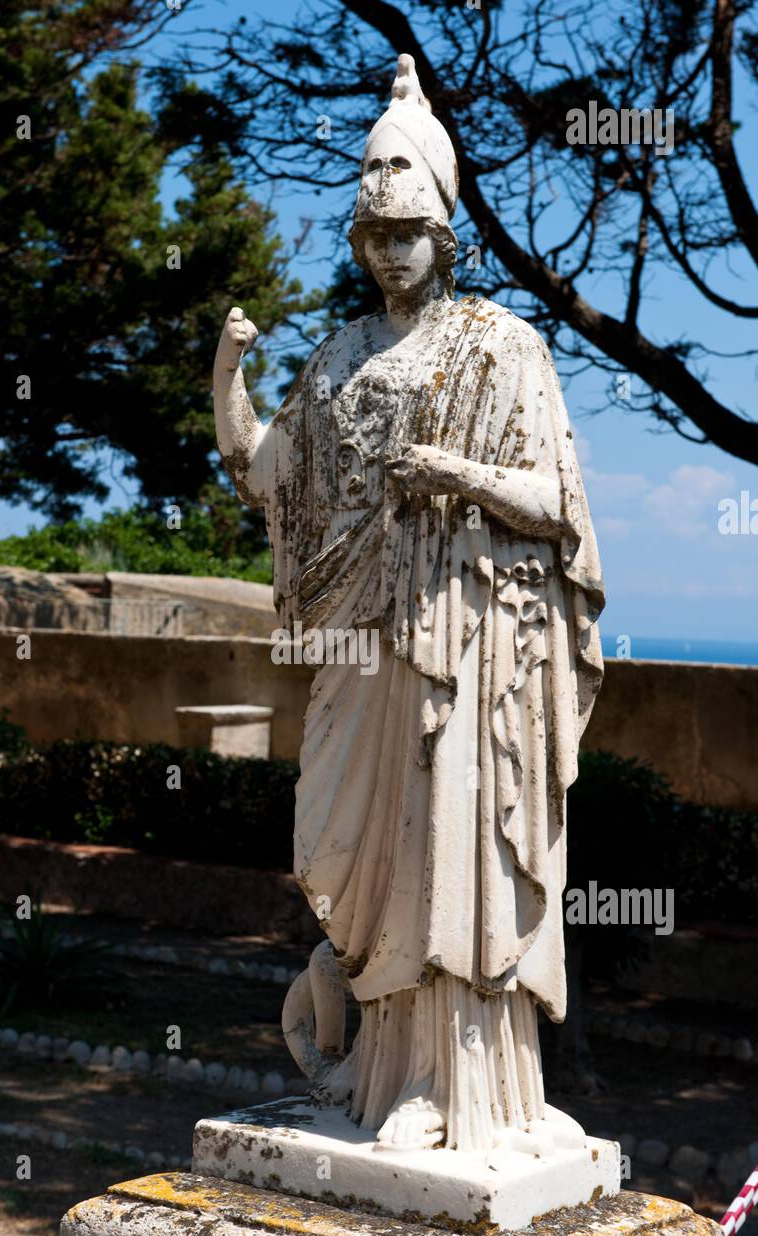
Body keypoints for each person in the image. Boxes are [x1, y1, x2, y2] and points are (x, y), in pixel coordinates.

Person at [213, 55, 604, 1155]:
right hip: (361, 641)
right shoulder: (336, 357)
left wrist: (457, 478)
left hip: (467, 646)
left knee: (452, 850)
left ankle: (452, 1088)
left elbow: (554, 507)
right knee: (343, 847)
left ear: (444, 232)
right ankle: (374, 1069)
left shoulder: (503, 347)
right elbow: (265, 475)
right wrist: (228, 373)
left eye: (410, 229)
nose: (392, 249)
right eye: (375, 232)